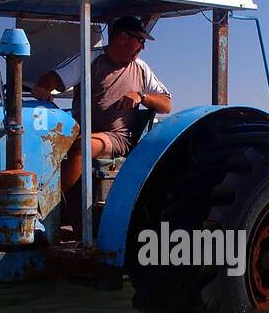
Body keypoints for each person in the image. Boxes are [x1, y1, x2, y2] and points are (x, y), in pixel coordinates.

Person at [31, 15, 171, 230]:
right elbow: (52, 79)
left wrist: (141, 96)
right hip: (78, 130)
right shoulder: (90, 58)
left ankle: (47, 211)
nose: (142, 48)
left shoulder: (141, 68)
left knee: (81, 147)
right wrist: (43, 87)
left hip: (117, 138)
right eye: (140, 41)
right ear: (123, 37)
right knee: (39, 144)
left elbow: (166, 105)